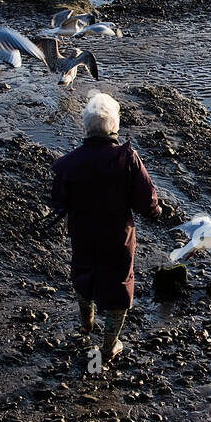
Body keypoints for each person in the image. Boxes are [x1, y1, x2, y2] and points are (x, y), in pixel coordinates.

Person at [50, 92, 161, 362]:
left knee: (84, 272)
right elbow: (146, 199)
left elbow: (58, 199)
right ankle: (110, 344)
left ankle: (86, 323)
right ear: (114, 126)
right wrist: (156, 211)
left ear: (86, 127)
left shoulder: (68, 163)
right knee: (119, 283)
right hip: (117, 237)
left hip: (83, 232)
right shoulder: (127, 158)